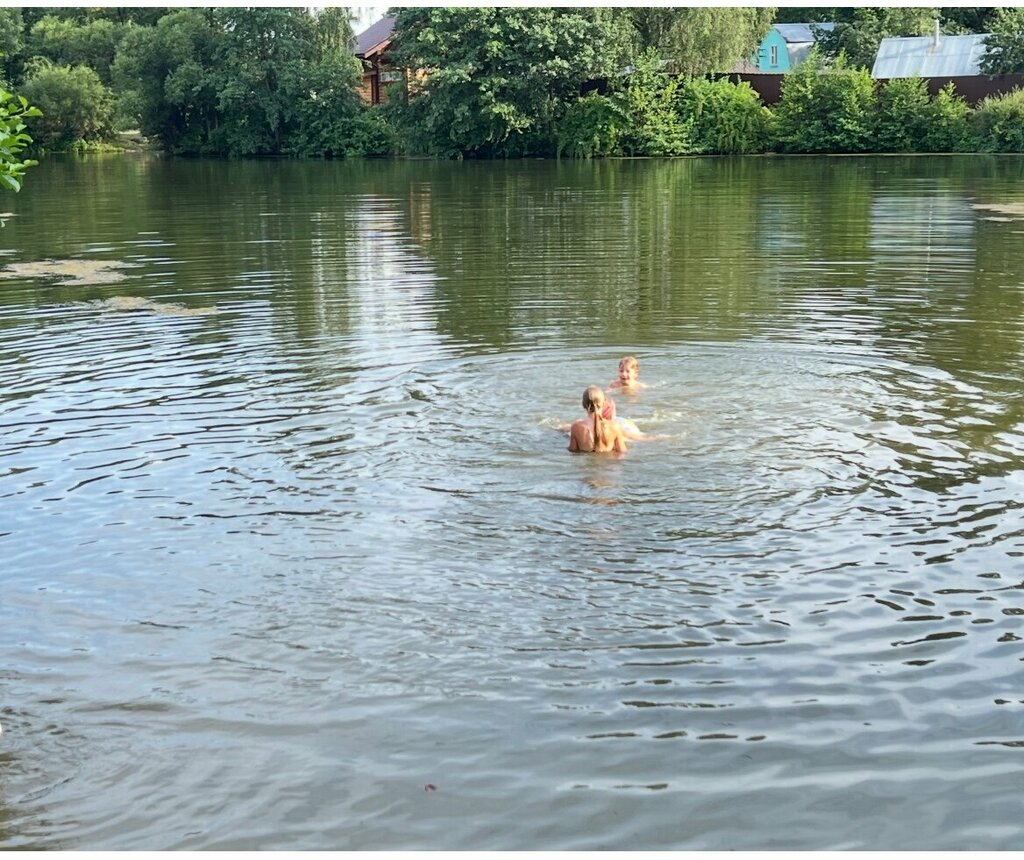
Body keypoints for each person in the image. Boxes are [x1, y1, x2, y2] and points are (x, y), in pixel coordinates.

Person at [569, 385, 628, 454]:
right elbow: (622, 452)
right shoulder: (614, 426)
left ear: (583, 404)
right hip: (607, 463)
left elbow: (573, 450)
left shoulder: (576, 427)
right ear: (604, 403)